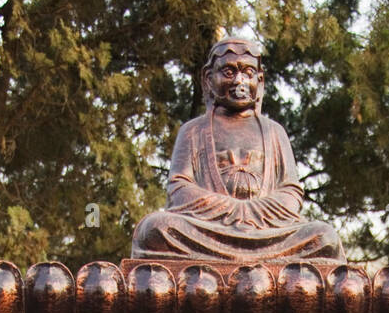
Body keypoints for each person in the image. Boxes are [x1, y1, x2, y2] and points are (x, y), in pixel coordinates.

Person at [131, 36, 345, 261]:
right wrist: (233, 209)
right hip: (210, 231)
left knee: (324, 237)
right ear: (208, 79)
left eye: (248, 74)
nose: (239, 81)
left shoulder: (274, 132)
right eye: (229, 72)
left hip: (268, 232)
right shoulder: (193, 131)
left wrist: (253, 211)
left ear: (260, 81)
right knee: (156, 228)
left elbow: (291, 192)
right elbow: (179, 189)